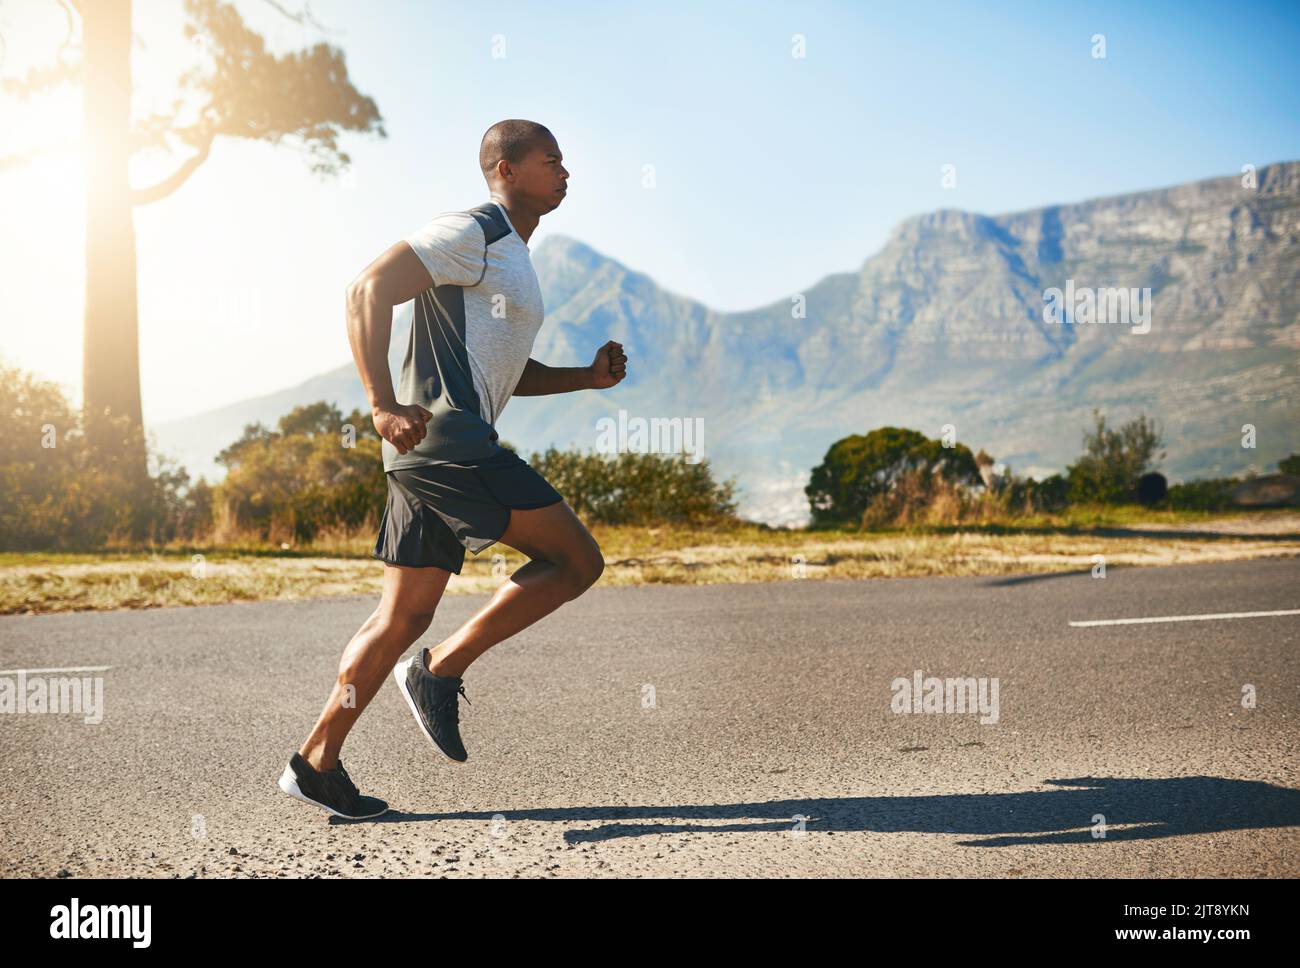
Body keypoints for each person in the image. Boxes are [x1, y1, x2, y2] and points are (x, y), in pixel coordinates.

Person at [277, 119, 628, 819]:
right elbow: (367, 289)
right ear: (506, 168)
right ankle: (438, 670)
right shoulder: (475, 230)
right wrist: (381, 404)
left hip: (424, 454)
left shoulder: (510, 255)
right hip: (451, 443)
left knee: (401, 615)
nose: (565, 172)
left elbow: (504, 370)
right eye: (551, 160)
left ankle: (316, 763)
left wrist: (584, 379)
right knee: (576, 561)